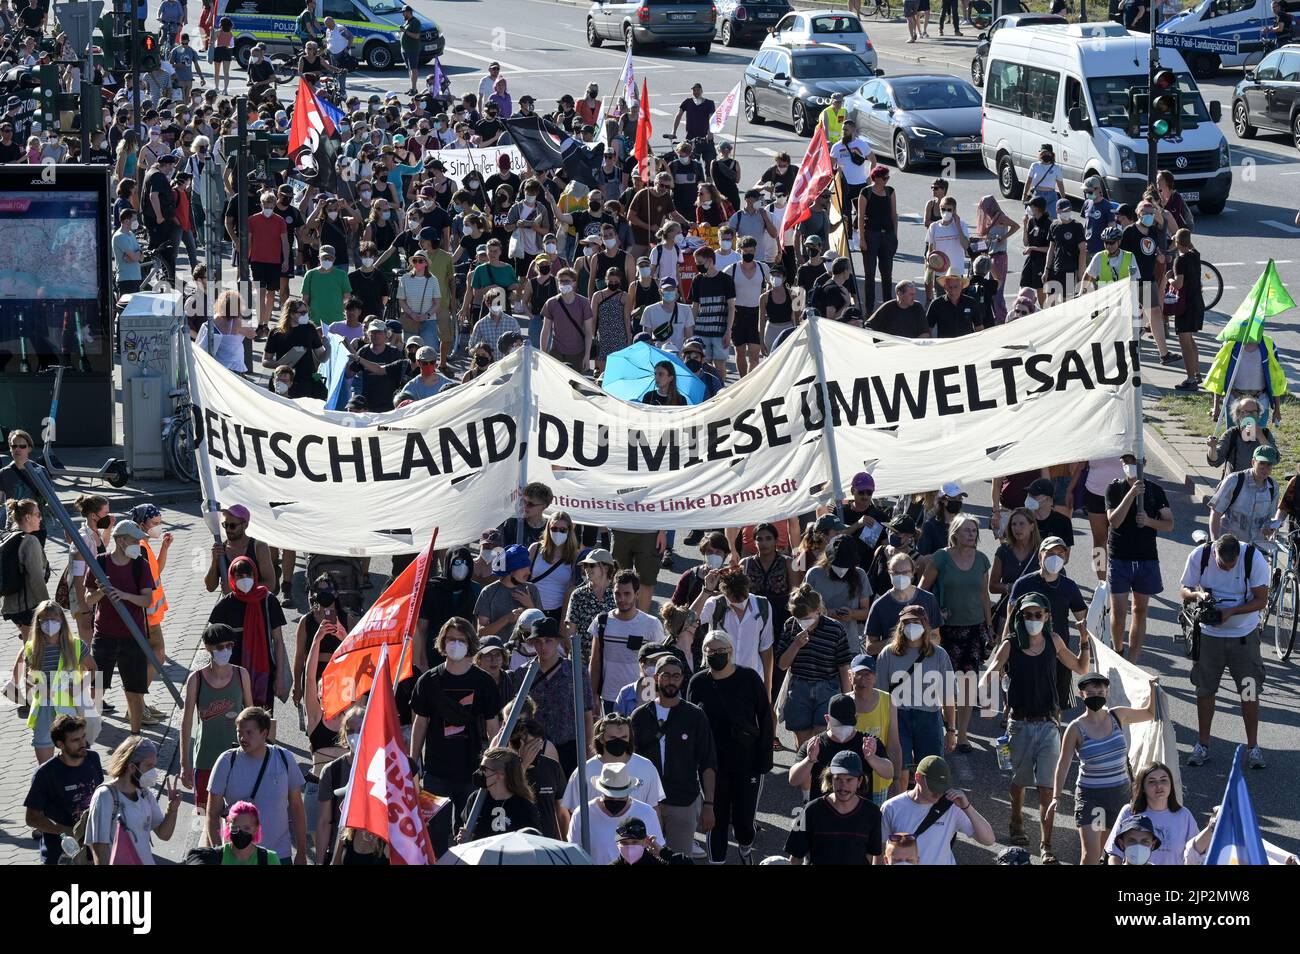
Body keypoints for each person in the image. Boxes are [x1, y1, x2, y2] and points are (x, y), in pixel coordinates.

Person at [979, 592, 1092, 863]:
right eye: (1027, 615)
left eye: (1037, 614)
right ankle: (1016, 820)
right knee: (1019, 782)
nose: (1033, 619)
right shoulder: (1011, 644)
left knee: (1046, 788)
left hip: (1049, 725)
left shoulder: (1054, 641)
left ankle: (1046, 844)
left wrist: (1084, 639)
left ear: (1046, 616)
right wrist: (983, 690)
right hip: (1019, 724)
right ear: (1021, 617)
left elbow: (1081, 667)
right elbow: (992, 670)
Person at [1179, 533, 1269, 769]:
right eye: (1222, 565)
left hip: (1244, 637)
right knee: (1205, 690)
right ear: (1215, 553)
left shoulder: (1253, 558)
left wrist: (1231, 612)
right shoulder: (1200, 555)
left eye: (1231, 565)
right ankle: (1202, 745)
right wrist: (1199, 595)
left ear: (1238, 555)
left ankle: (1253, 747)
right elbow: (1184, 590)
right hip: (1209, 636)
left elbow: (1261, 600)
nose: (1227, 569)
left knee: (1249, 691)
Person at [686, 630, 774, 864]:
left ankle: (745, 848)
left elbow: (765, 718)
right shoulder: (698, 682)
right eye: (710, 651)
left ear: (730, 651)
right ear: (704, 653)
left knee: (744, 823)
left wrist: (765, 760)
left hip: (748, 763)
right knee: (716, 819)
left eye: (720, 650)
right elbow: (691, 722)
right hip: (711, 766)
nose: (715, 654)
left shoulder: (749, 678)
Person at [1051, 671, 1157, 864]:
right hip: (1093, 799)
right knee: (1091, 855)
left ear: (1107, 692)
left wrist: (1152, 689)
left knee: (1104, 851)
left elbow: (1150, 713)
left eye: (1100, 692)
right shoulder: (1075, 728)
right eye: (1090, 693)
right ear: (1082, 694)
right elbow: (1063, 763)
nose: (1096, 696)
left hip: (1120, 797)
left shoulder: (1117, 715)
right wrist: (1056, 796)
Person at [409, 619, 503, 821]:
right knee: (435, 830)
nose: (455, 644)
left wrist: (496, 764)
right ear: (443, 642)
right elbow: (420, 723)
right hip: (435, 772)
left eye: (461, 640)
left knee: (468, 829)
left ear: (470, 643)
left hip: (472, 771)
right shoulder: (427, 681)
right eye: (451, 639)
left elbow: (493, 727)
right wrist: (412, 761)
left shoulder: (484, 682)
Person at [629, 652, 716, 857]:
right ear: (656, 678)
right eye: (666, 675)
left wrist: (709, 805)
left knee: (679, 859)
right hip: (647, 803)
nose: (671, 680)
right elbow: (630, 762)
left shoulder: (695, 716)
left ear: (682, 678)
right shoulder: (640, 716)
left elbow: (708, 763)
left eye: (676, 675)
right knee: (645, 859)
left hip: (683, 800)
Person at [919, 515, 991, 750]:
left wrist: (989, 626)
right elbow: (922, 590)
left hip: (974, 628)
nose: (971, 534)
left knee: (969, 680)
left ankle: (962, 735)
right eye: (967, 530)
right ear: (955, 533)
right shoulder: (941, 557)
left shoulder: (982, 560)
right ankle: (948, 723)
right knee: (946, 681)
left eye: (974, 531)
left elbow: (984, 595)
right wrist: (934, 613)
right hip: (945, 630)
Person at [206, 706, 307, 863]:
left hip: (279, 854)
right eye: (239, 732)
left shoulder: (284, 759)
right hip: (237, 857)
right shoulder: (226, 762)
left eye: (249, 732)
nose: (242, 737)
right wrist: (219, 854)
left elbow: (297, 807)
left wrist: (301, 851)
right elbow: (212, 814)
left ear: (264, 733)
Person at [84, 520, 156, 736]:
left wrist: (125, 595)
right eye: (135, 540)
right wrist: (102, 591)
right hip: (104, 636)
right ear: (121, 540)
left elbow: (147, 600)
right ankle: (89, 733)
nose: (138, 544)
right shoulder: (100, 562)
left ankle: (136, 735)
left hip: (133, 637)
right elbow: (88, 599)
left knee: (134, 692)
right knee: (96, 688)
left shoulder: (140, 565)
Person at [505, 616, 594, 778]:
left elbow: (587, 714)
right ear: (532, 643)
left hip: (570, 747)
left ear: (557, 641)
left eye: (548, 640)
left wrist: (588, 749)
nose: (543, 646)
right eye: (538, 641)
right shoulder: (521, 675)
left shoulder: (577, 671)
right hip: (534, 748)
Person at [1008, 536, 1091, 710]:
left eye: (1060, 554)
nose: (1056, 557)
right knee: (1020, 703)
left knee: (1057, 706)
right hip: (1027, 652)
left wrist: (1086, 636)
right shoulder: (1023, 584)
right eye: (1051, 553)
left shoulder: (1069, 586)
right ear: (1040, 556)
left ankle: (1054, 727)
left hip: (1059, 654)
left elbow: (1085, 620)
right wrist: (1005, 654)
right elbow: (1010, 619)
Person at [1106, 453, 1175, 661]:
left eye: (1134, 462)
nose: (1130, 466)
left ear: (1144, 463)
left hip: (1146, 558)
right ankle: (1118, 649)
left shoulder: (1155, 491)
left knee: (1139, 609)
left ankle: (1133, 661)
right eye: (1126, 462)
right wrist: (1131, 494)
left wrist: (1149, 522)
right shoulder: (1114, 489)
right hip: (1120, 557)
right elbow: (1114, 520)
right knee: (1119, 612)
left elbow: (1169, 524)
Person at [180, 623, 252, 814]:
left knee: (237, 816)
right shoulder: (196, 680)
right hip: (205, 759)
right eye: (220, 647)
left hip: (237, 758)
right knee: (206, 815)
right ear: (208, 647)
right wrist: (184, 764)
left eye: (229, 645)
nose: (226, 651)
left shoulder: (241, 674)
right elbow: (186, 723)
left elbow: (252, 716)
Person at [774, 585, 853, 748]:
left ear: (818, 611)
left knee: (821, 738)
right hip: (799, 688)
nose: (802, 622)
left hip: (827, 687)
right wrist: (796, 645)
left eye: (807, 618)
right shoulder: (790, 625)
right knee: (803, 742)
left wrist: (846, 697)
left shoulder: (835, 629)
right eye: (798, 618)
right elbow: (782, 664)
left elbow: (844, 667)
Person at [205, 555, 287, 711]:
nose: (245, 580)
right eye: (239, 576)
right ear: (232, 578)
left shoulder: (268, 601)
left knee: (262, 719)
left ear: (255, 575)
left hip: (264, 673)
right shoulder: (224, 606)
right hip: (232, 675)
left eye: (248, 575)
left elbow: (278, 640)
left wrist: (280, 677)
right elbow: (211, 643)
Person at [880, 755, 996, 865]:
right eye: (933, 787)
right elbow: (881, 848)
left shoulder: (952, 806)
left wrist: (967, 807)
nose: (938, 793)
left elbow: (988, 840)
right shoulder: (891, 807)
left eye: (942, 788)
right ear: (918, 777)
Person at [24, 715, 104, 864]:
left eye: (83, 736)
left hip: (93, 849)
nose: (83, 743)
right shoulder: (45, 773)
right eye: (75, 740)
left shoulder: (93, 759)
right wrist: (67, 831)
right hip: (61, 854)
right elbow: (32, 818)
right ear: (60, 744)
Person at [87, 737, 180, 865]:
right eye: (149, 766)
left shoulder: (145, 794)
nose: (153, 772)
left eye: (154, 766)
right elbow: (99, 848)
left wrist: (172, 809)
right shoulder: (105, 796)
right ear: (131, 767)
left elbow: (164, 834)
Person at [785, 751, 884, 865]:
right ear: (830, 779)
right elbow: (795, 857)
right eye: (838, 779)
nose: (843, 786)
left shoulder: (873, 813)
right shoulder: (810, 810)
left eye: (849, 780)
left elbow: (873, 855)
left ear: (859, 781)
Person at [561, 712, 665, 818]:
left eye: (624, 737)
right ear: (601, 738)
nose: (619, 741)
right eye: (613, 738)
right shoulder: (584, 772)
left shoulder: (646, 767)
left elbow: (654, 809)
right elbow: (574, 813)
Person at [589, 570, 665, 711]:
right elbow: (595, 661)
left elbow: (660, 664)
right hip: (610, 696)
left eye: (627, 594)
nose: (622, 598)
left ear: (637, 594)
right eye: (617, 594)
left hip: (643, 696)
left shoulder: (652, 624)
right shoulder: (602, 622)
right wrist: (593, 694)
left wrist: (657, 695)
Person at [567, 761, 665, 866]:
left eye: (620, 796)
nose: (615, 800)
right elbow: (573, 855)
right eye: (610, 796)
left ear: (628, 792)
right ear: (601, 791)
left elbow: (657, 852)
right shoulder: (581, 814)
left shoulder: (647, 813)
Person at [1106, 763, 1202, 865]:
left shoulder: (1184, 815)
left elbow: (1196, 852)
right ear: (1142, 787)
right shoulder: (1129, 811)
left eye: (1163, 780)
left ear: (1171, 784)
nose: (1159, 786)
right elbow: (1115, 854)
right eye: (1152, 781)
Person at [458, 746, 540, 842]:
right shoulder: (475, 799)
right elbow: (466, 832)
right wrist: (464, 838)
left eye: (483, 768)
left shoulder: (524, 807)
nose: (479, 772)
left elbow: (532, 843)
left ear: (499, 775)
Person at [864, 552, 941, 654]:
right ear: (890, 573)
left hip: (923, 660)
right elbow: (870, 647)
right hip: (893, 661)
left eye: (905, 572)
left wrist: (919, 641)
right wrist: (898, 640)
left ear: (912, 572)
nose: (900, 576)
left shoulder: (928, 599)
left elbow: (936, 637)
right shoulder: (879, 605)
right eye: (896, 572)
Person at [1209, 445, 1280, 550]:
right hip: (1230, 546)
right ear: (1253, 462)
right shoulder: (1234, 480)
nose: (1265, 468)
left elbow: (1269, 519)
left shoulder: (1273, 487)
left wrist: (1269, 529)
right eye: (1262, 463)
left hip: (1256, 549)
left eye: (1269, 464)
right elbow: (1216, 511)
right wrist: (1215, 543)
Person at [688, 245, 736, 381]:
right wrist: (691, 329)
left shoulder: (726, 280)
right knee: (702, 366)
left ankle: (720, 390)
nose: (697, 265)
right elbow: (695, 306)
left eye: (700, 262)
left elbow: (731, 307)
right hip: (701, 331)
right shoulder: (697, 280)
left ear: (710, 261)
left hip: (720, 332)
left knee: (720, 366)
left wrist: (728, 330)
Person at [1169, 229, 1205, 391]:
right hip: (1197, 303)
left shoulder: (1180, 260)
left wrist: (1169, 278)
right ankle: (1197, 374)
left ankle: (1191, 379)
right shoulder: (1195, 255)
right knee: (1190, 339)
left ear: (1177, 243)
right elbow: (1191, 246)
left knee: (1185, 342)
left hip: (1185, 306)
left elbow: (1179, 284)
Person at [1207, 397, 1277, 474]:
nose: (1249, 415)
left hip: (1259, 480)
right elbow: (1215, 461)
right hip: (1235, 480)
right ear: (1238, 415)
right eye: (1244, 412)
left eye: (1253, 412)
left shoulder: (1265, 434)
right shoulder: (1232, 434)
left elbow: (1275, 459)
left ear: (1258, 414)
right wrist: (1212, 447)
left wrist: (1260, 436)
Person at [610, 816, 691, 865]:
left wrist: (663, 852)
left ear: (645, 842)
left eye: (635, 842)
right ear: (617, 844)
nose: (629, 847)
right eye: (624, 842)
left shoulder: (656, 862)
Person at [926, 268, 983, 338]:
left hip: (967, 343)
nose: (953, 291)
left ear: (962, 286)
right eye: (950, 287)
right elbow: (927, 329)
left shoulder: (971, 302)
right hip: (946, 344)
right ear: (945, 287)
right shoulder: (936, 304)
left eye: (956, 287)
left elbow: (979, 327)